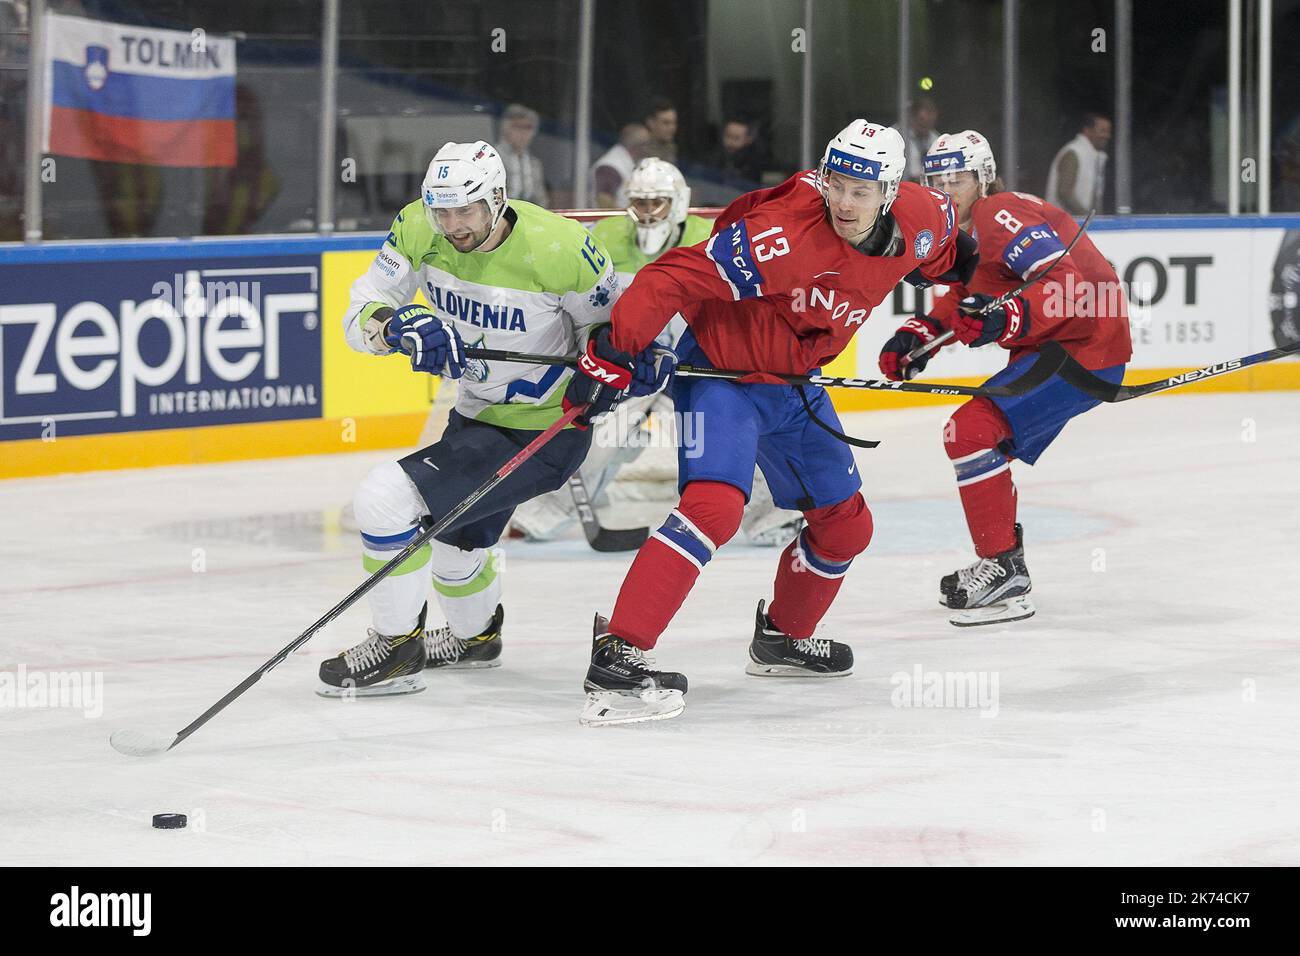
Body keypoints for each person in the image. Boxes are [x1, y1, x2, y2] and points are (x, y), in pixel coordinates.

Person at [563, 120, 979, 724]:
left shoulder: (924, 216)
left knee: (846, 527)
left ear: (890, 192)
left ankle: (783, 637)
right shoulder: (779, 239)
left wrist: (978, 291)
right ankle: (619, 653)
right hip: (723, 374)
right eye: (835, 182)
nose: (842, 200)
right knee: (714, 507)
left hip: (795, 385)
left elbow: (952, 254)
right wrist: (617, 349)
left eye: (860, 191)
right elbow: (668, 278)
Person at [317, 140, 660, 697]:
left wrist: (617, 365)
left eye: (466, 210)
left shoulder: (560, 246)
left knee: (384, 499)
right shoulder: (418, 227)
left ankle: (395, 646)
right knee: (456, 543)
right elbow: (361, 311)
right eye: (441, 209)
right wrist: (398, 326)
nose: (452, 224)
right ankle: (477, 639)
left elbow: (616, 332)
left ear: (498, 199)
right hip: (475, 416)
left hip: (547, 431)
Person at [878, 129, 1132, 625]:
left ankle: (1003, 569)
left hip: (1083, 348)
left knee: (971, 431)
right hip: (1064, 344)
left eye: (959, 177)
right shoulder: (968, 225)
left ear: (984, 178)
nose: (946, 187)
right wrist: (921, 333)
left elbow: (1068, 287)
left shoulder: (999, 212)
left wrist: (1005, 319)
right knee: (979, 437)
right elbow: (977, 290)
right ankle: (1004, 562)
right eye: (937, 178)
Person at [1045, 112, 1111, 214]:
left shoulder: (1096, 156)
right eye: (1102, 131)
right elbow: (1064, 193)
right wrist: (1086, 218)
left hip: (1079, 223)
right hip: (1063, 224)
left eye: (1108, 131)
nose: (1107, 135)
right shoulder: (1073, 153)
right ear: (1087, 131)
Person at [498, 103, 549, 207]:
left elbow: (542, 199)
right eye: (517, 127)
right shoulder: (493, 158)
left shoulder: (535, 164)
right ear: (506, 128)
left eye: (528, 128)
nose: (523, 133)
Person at [592, 123, 652, 209]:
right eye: (647, 144)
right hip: (610, 221)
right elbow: (604, 201)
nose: (651, 147)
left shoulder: (640, 162)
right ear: (637, 146)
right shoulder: (610, 167)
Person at [902, 95, 940, 181]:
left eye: (930, 122)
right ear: (912, 117)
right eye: (922, 121)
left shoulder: (937, 139)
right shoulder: (897, 136)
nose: (926, 125)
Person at [643, 98, 679, 164]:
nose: (672, 128)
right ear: (651, 122)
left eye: (674, 123)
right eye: (666, 123)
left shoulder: (672, 148)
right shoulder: (641, 149)